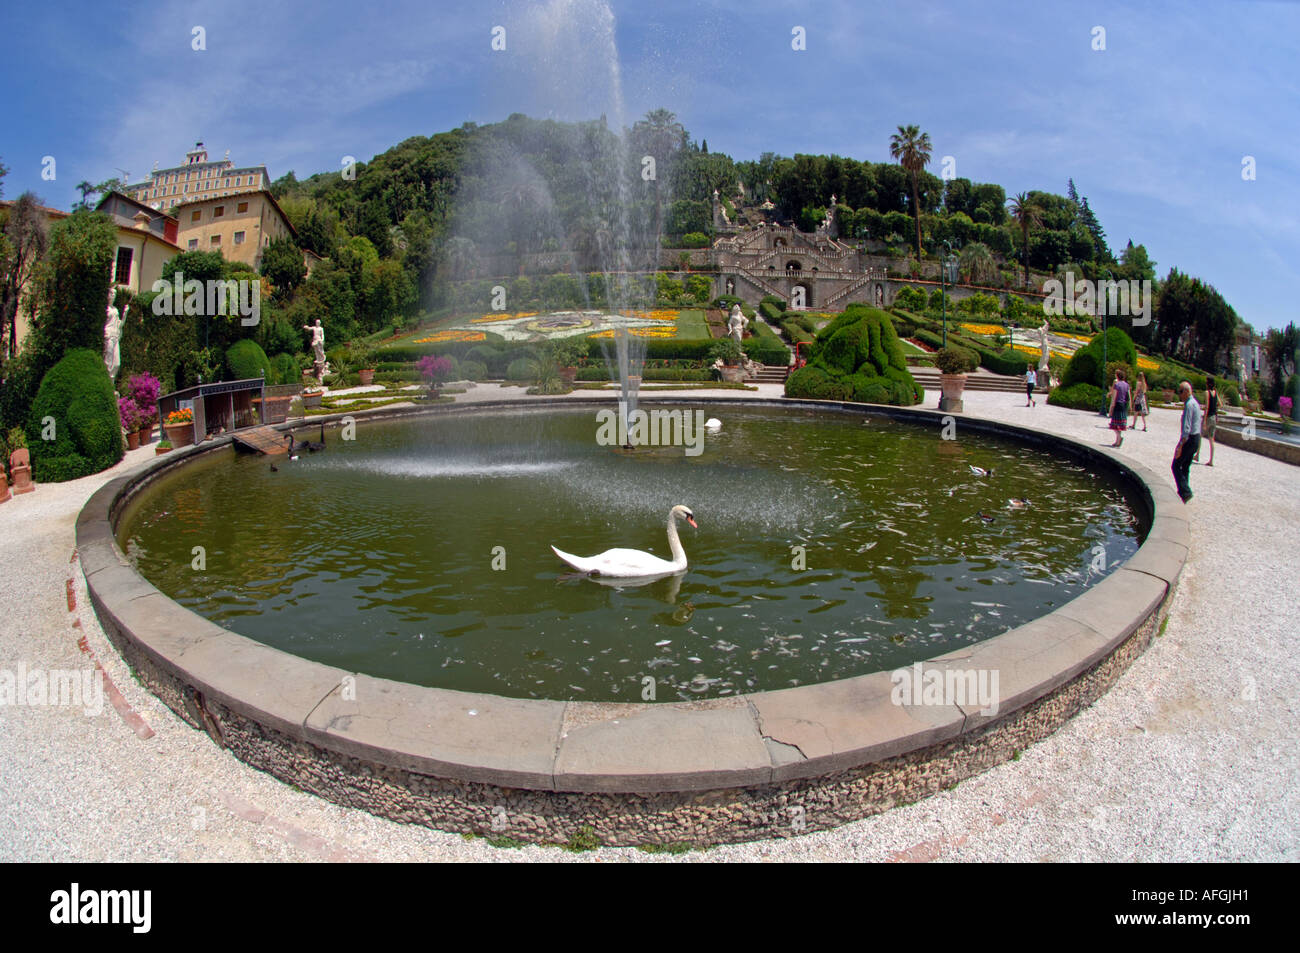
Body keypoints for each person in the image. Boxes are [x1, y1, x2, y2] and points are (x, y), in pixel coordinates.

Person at [1172, 380, 1202, 503]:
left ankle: (1186, 491)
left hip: (1189, 439)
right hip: (1195, 439)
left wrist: (1180, 446)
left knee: (1175, 465)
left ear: (1186, 391)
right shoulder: (1195, 403)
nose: (1179, 395)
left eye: (1180, 392)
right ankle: (1183, 493)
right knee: (1185, 466)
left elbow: (1186, 428)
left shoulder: (1189, 405)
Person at [1196, 378, 1218, 465]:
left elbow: (1207, 407)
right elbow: (1220, 404)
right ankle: (1211, 461)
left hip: (1208, 417)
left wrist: (1204, 420)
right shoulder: (1216, 393)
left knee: (1200, 435)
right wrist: (1215, 409)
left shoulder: (1207, 392)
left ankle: (1197, 455)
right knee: (1211, 439)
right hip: (1214, 417)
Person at [1107, 367, 1129, 447]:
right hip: (1123, 405)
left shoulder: (1117, 385)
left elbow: (1114, 397)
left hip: (1117, 405)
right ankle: (1117, 441)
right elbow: (1127, 396)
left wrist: (1111, 408)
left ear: (1117, 376)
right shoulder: (1126, 385)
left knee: (1114, 425)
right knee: (1120, 425)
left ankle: (1119, 438)